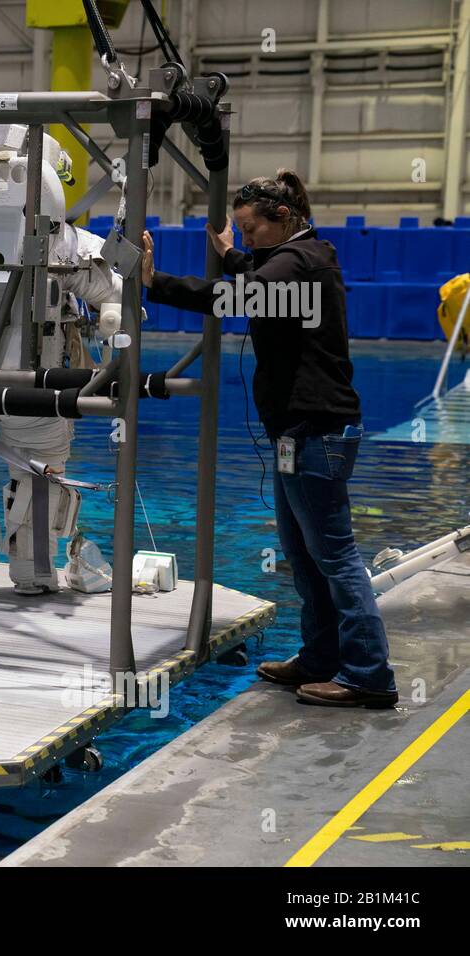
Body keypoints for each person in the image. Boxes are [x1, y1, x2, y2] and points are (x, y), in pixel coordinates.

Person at [141, 168, 397, 708]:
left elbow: (238, 298)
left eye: (250, 228)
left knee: (337, 559)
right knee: (305, 559)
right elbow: (259, 274)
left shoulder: (301, 263)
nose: (247, 238)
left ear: (282, 219)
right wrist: (233, 251)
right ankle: (321, 657)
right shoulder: (301, 257)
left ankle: (370, 675)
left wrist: (155, 282)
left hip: (316, 433)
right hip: (296, 435)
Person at [0, 128, 122, 595]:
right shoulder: (63, 241)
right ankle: (31, 573)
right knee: (38, 477)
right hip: (34, 388)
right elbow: (112, 289)